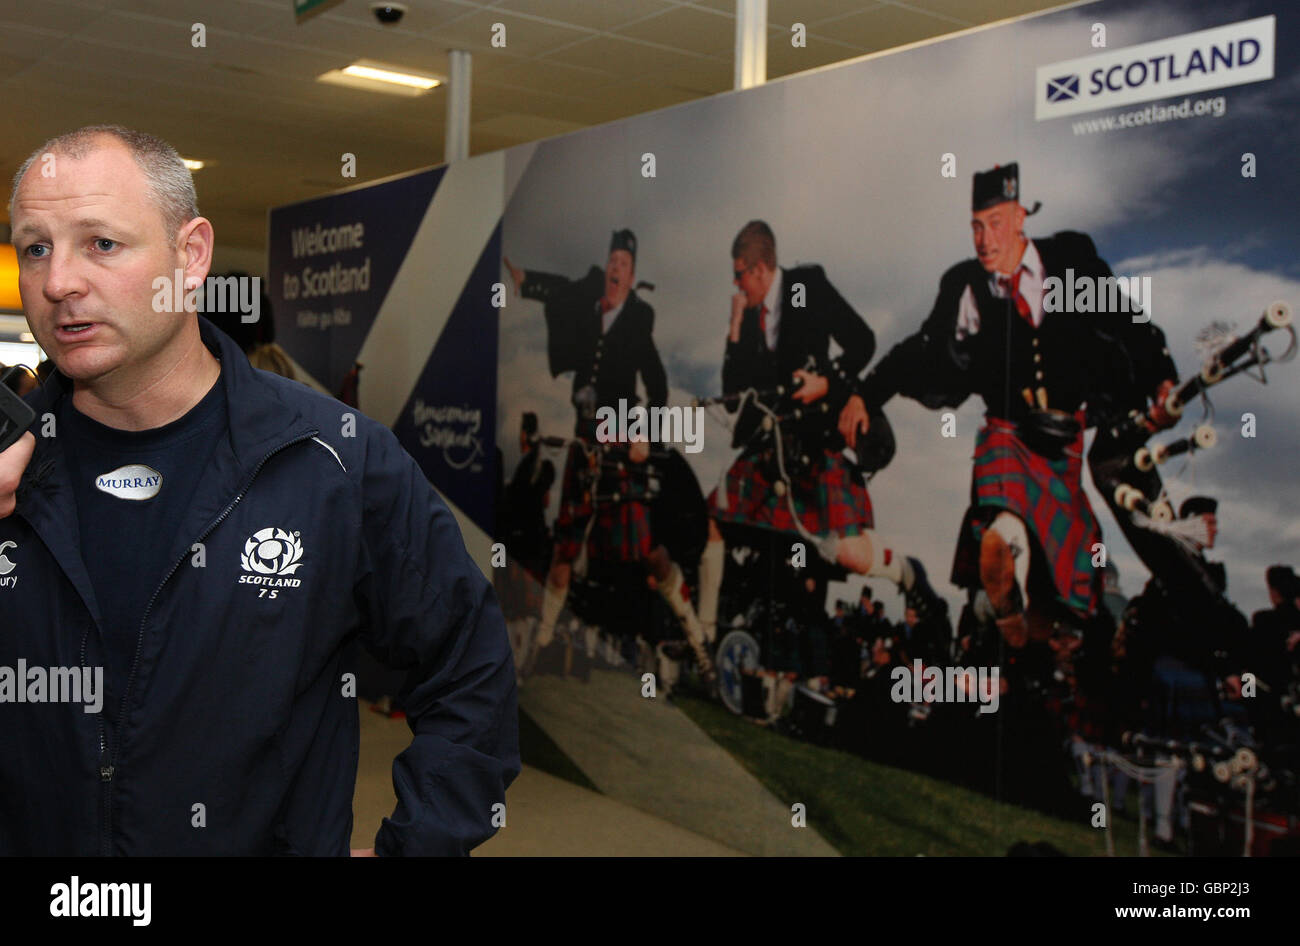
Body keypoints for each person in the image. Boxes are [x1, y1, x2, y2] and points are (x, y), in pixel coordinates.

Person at [0, 124, 518, 855]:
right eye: (36, 247)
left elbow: (469, 667)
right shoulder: (9, 461)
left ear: (191, 255)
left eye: (102, 244)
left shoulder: (333, 459)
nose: (58, 283)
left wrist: (420, 845)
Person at [851, 163, 1179, 647]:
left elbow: (1126, 320)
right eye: (976, 227)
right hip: (1008, 434)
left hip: (1064, 449)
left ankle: (1021, 639)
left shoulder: (1069, 260)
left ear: (1022, 217)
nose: (984, 239)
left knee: (1056, 595)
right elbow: (920, 348)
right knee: (999, 530)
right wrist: (866, 391)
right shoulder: (966, 286)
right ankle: (1001, 605)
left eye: (996, 223)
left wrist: (1163, 377)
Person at [695, 220, 944, 653]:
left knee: (844, 553)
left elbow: (862, 343)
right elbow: (735, 395)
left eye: (739, 274)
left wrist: (825, 382)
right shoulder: (749, 316)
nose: (735, 284)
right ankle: (704, 633)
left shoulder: (803, 285)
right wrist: (735, 331)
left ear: (758, 270)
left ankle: (906, 571)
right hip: (770, 445)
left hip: (816, 440)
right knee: (711, 520)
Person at [504, 234, 713, 679]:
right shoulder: (589, 303)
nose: (615, 269)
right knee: (564, 549)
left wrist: (645, 436)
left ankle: (696, 637)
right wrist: (526, 282)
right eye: (612, 261)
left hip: (621, 437)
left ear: (632, 276)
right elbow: (562, 288)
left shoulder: (638, 323)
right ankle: (539, 647)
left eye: (624, 264)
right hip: (586, 441)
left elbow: (656, 386)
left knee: (649, 554)